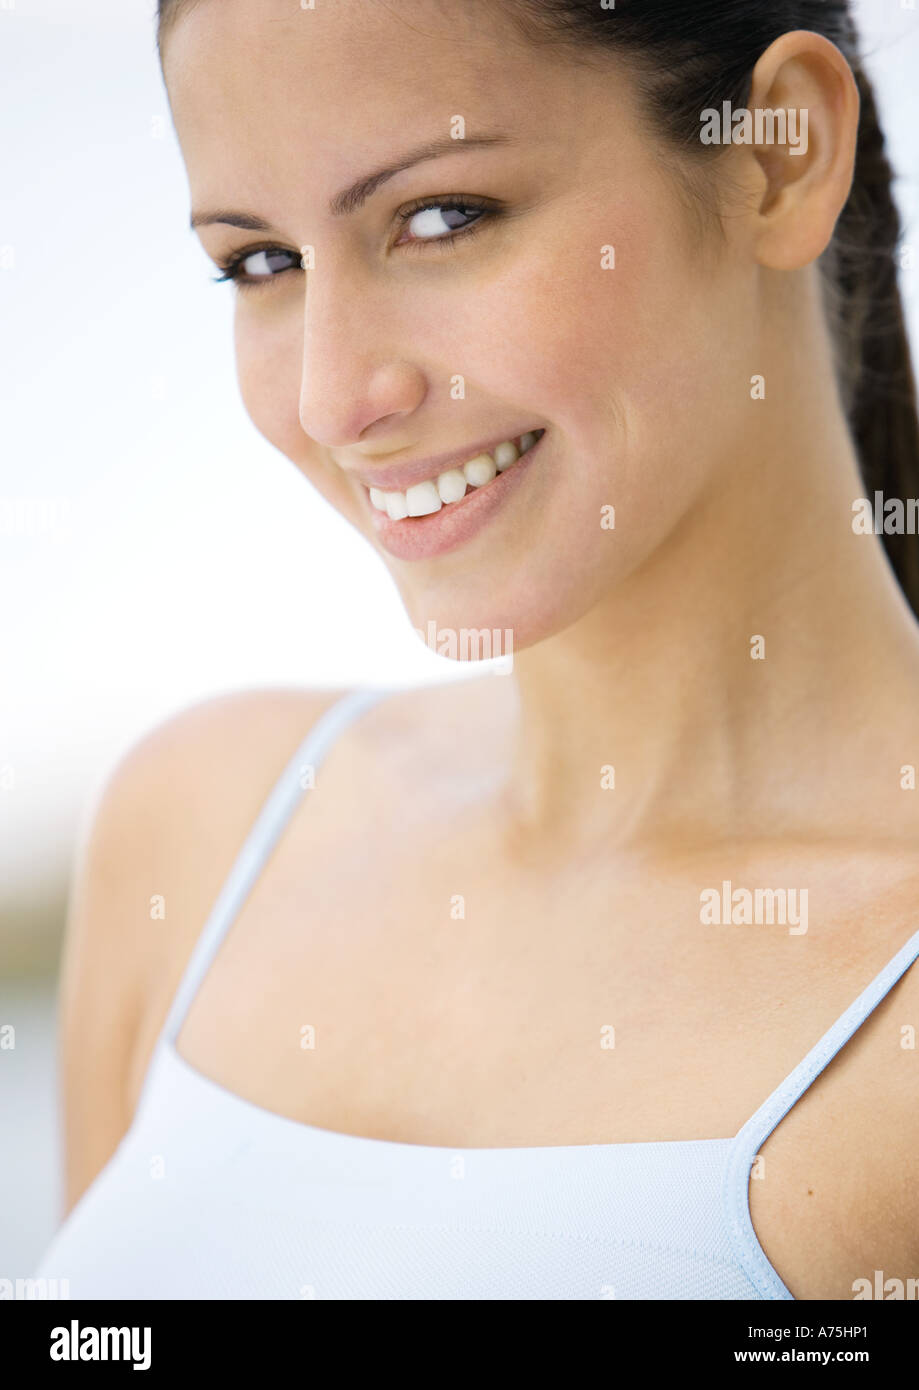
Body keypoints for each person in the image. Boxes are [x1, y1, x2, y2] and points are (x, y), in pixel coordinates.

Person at [35, 0, 919, 1299]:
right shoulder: (199, 829)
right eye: (261, 263)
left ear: (777, 152)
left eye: (441, 218)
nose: (336, 399)